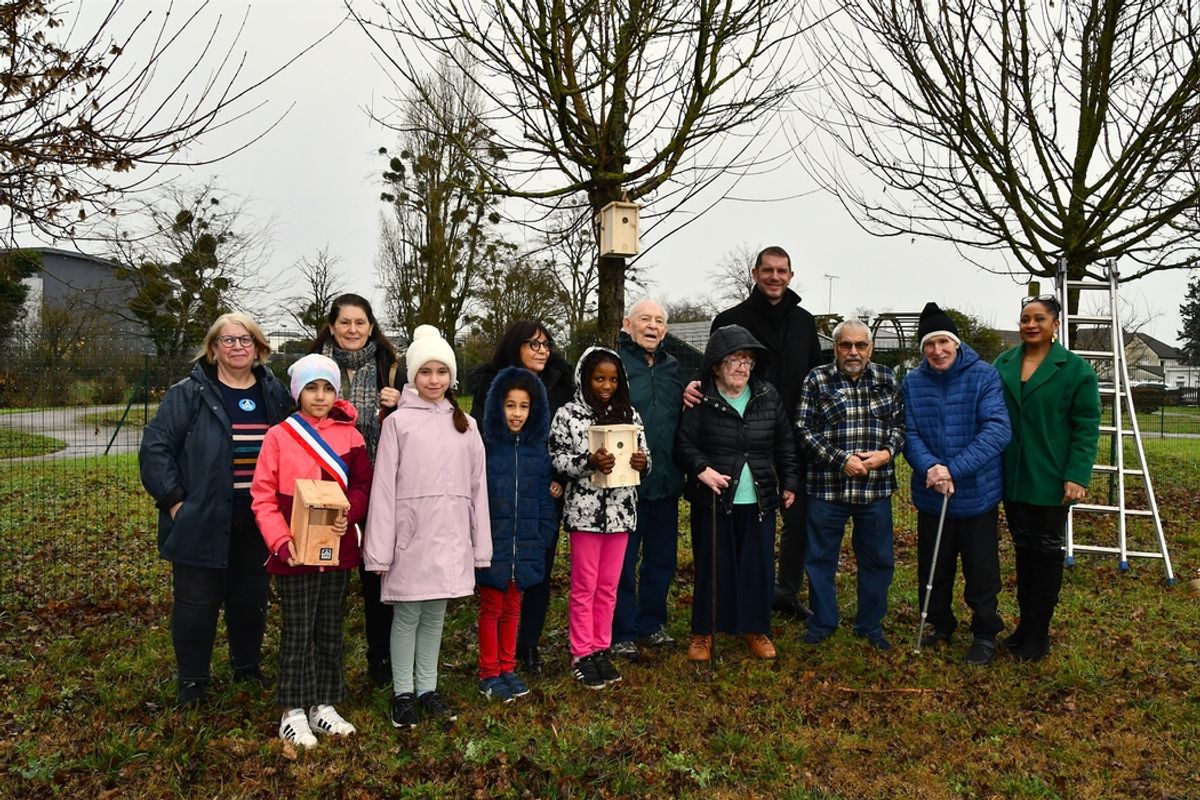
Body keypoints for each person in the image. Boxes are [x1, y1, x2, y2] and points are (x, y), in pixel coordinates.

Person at [140, 313, 292, 706]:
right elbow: (156, 449)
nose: (238, 347)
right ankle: (193, 682)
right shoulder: (187, 393)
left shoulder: (274, 394)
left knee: (250, 597)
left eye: (246, 340)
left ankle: (246, 668)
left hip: (259, 519)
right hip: (202, 516)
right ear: (213, 348)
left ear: (259, 348)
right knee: (196, 603)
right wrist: (175, 502)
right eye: (228, 341)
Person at [686, 246, 825, 620]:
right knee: (742, 518)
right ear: (755, 273)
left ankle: (787, 591)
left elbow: (816, 377)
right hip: (740, 436)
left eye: (782, 271)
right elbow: (708, 374)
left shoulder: (804, 322)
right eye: (768, 270)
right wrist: (691, 388)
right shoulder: (731, 319)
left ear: (791, 276)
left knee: (795, 517)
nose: (775, 277)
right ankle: (733, 599)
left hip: (794, 434)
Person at [364, 325, 491, 728]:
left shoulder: (466, 425)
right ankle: (403, 693)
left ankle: (427, 688)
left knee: (434, 614)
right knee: (407, 616)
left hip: (450, 538)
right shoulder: (397, 424)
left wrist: (479, 545)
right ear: (412, 377)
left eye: (441, 372)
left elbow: (478, 488)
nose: (433, 380)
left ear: (451, 376)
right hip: (410, 539)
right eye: (425, 372)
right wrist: (380, 548)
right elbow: (383, 489)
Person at [250, 354, 373, 747]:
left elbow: (362, 485)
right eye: (311, 388)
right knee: (298, 630)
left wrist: (350, 514)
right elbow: (263, 496)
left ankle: (324, 703)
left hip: (337, 549)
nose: (320, 396)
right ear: (298, 392)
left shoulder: (351, 436)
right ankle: (292, 709)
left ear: (337, 392)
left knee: (331, 628)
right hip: (293, 552)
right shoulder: (279, 436)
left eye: (327, 388)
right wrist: (281, 541)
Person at [674, 325, 799, 662]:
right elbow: (683, 444)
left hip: (758, 500)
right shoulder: (702, 398)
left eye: (748, 360)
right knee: (713, 567)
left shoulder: (766, 396)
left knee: (756, 568)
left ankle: (755, 628)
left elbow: (785, 442)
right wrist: (702, 469)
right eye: (734, 359)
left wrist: (789, 481)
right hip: (713, 501)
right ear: (716, 365)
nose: (742, 367)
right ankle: (704, 632)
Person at [901, 303, 1011, 666]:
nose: (937, 351)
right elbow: (910, 433)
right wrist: (932, 467)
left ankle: (984, 631)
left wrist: (954, 470)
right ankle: (940, 623)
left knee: (981, 568)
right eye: (929, 344)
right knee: (935, 566)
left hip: (976, 494)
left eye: (943, 342)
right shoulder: (913, 382)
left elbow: (997, 430)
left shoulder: (984, 376)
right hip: (932, 494)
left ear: (957, 344)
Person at [994, 294, 1100, 662]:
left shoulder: (1075, 370)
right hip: (1012, 474)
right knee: (1023, 549)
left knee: (1046, 551)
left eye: (1039, 318)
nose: (1030, 324)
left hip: (1052, 476)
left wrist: (1077, 474)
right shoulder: (1003, 364)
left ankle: (1039, 632)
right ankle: (1024, 624)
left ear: (1056, 324)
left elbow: (1086, 427)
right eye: (1025, 318)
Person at [469, 320, 574, 675]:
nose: (542, 350)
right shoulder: (492, 385)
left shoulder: (561, 383)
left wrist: (558, 477)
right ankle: (494, 658)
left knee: (538, 568)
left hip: (542, 491)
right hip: (501, 492)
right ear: (516, 347)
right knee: (500, 581)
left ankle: (526, 646)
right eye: (533, 344)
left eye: (546, 344)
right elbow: (479, 438)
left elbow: (568, 438)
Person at [308, 293, 401, 688]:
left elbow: (416, 421)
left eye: (360, 323)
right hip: (323, 490)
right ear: (331, 326)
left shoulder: (389, 369)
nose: (352, 330)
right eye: (344, 322)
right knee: (325, 580)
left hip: (377, 487)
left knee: (377, 577)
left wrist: (399, 404)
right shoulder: (313, 370)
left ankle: (381, 660)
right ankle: (323, 666)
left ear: (371, 326)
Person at [795, 320, 904, 650]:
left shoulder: (887, 378)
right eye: (846, 345)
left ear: (870, 348)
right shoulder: (817, 379)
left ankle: (870, 625)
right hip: (828, 488)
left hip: (875, 489)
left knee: (877, 560)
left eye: (860, 345)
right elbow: (803, 429)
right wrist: (840, 460)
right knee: (819, 559)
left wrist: (886, 453)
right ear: (835, 347)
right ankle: (823, 621)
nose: (853, 352)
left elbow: (901, 425)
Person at [549, 347, 649, 689]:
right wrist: (588, 462)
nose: (606, 385)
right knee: (584, 586)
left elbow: (644, 454)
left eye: (612, 379)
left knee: (608, 586)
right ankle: (580, 652)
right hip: (585, 514)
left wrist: (641, 464)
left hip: (621, 512)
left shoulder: (630, 414)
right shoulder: (568, 414)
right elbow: (558, 460)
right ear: (584, 378)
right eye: (598, 378)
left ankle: (600, 647)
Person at [476, 367, 558, 702]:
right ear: (498, 405)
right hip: (493, 544)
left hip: (525, 544)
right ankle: (488, 673)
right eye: (510, 405)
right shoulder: (485, 448)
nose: (516, 413)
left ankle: (508, 668)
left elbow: (545, 501)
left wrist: (542, 539)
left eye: (524, 407)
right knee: (492, 607)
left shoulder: (540, 451)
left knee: (514, 607)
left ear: (533, 410)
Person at [611, 299, 685, 662]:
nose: (652, 326)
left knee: (661, 559)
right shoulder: (615, 366)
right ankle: (621, 631)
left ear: (666, 330)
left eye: (659, 320)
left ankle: (652, 623)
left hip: (667, 480)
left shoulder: (675, 369)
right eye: (645, 319)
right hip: (626, 483)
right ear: (628, 324)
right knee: (623, 561)